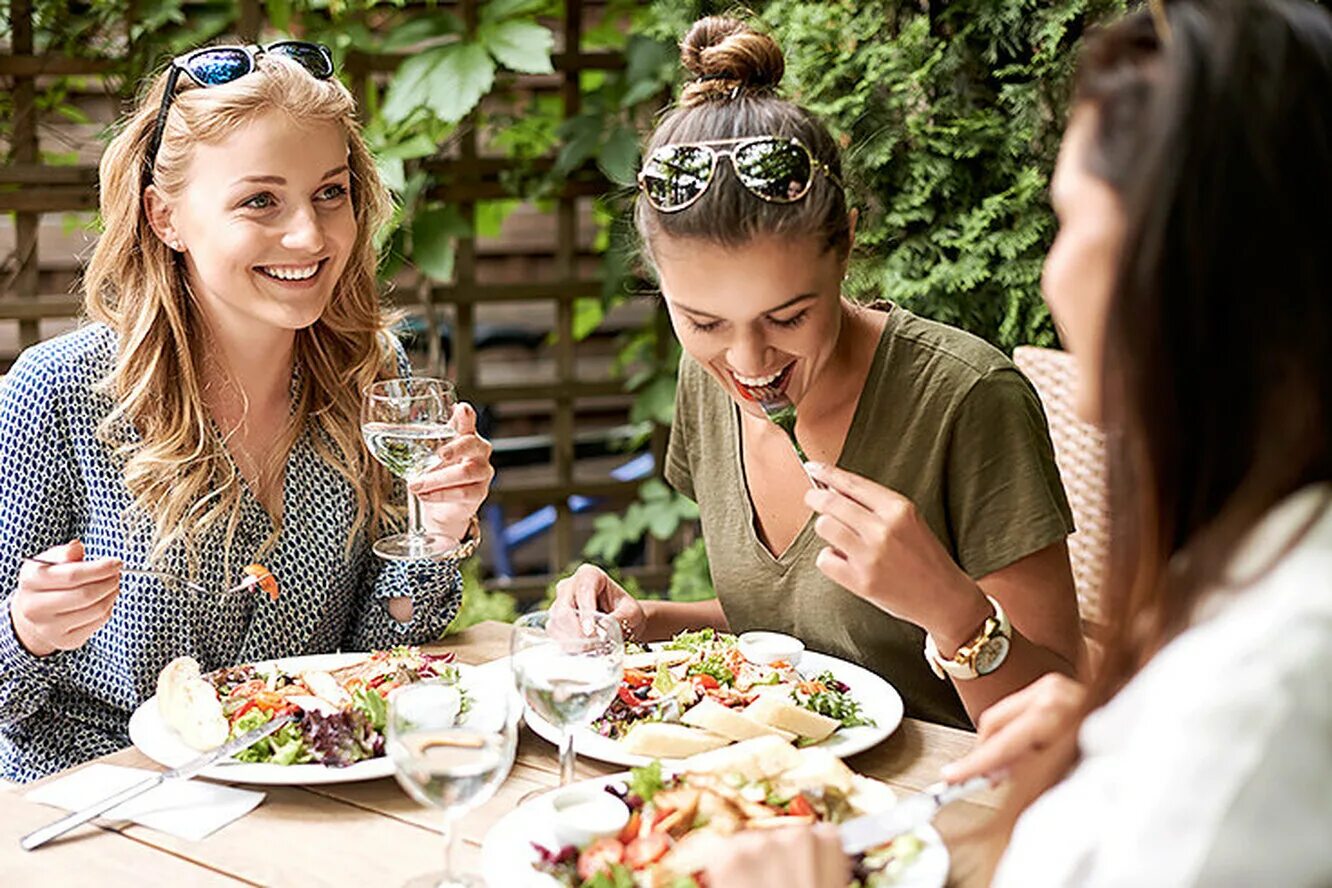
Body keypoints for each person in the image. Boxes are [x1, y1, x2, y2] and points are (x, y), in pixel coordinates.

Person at [698, 1, 1332, 885]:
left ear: (1197, 272)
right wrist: (1101, 750)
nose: (1050, 269)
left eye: (1072, 219)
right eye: (703, 321)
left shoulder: (1264, 694)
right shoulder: (1251, 573)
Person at [553, 17, 1085, 729]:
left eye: (788, 316)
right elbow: (797, 630)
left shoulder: (968, 398)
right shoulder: (702, 382)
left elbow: (1067, 721)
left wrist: (949, 608)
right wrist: (646, 621)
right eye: (705, 323)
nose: (748, 363)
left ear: (847, 247)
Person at [0, 43, 494, 783]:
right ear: (164, 216)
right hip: (102, 804)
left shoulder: (369, 379)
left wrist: (440, 532)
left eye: (330, 192)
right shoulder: (59, 394)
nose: (309, 235)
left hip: (298, 795)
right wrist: (26, 631)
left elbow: (371, 660)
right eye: (260, 201)